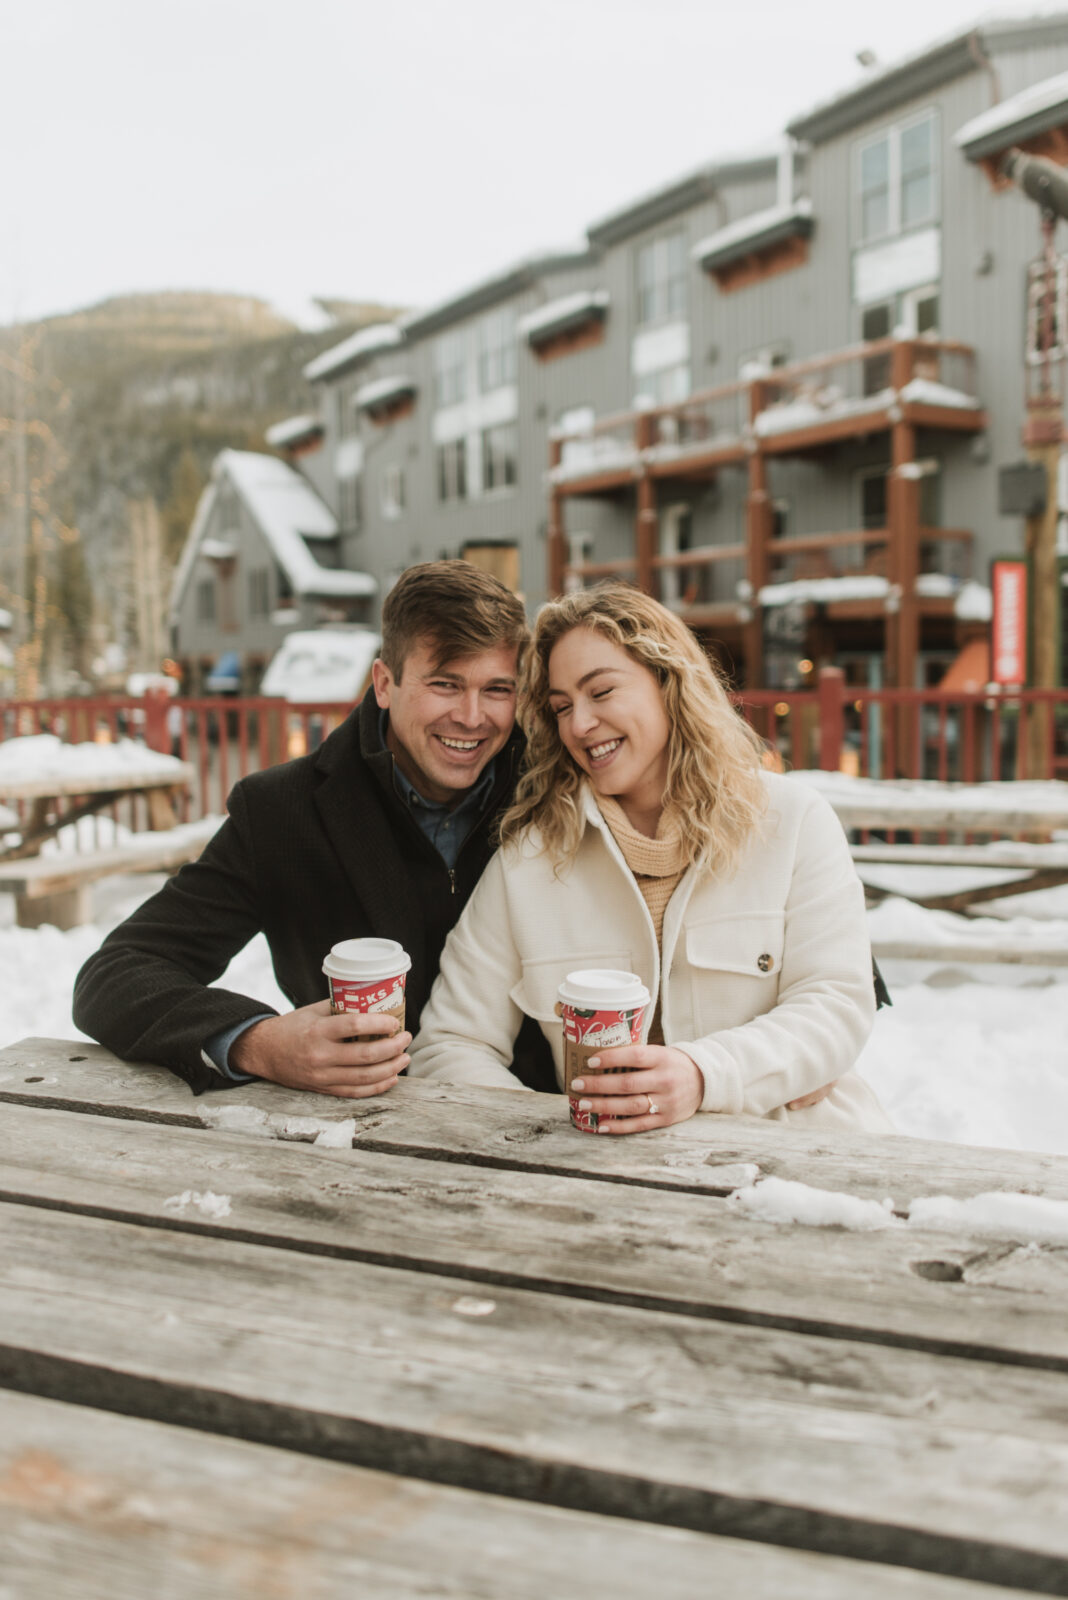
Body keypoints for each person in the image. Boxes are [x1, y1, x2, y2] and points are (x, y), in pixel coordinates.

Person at [407, 583, 892, 1133]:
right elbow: (449, 1045)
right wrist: (547, 1141)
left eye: (602, 691)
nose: (580, 724)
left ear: (669, 683)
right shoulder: (530, 860)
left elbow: (835, 1005)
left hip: (800, 1168)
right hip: (613, 1192)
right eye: (561, 707)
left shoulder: (791, 821)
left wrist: (702, 1075)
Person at [73, 561, 555, 1098]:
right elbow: (115, 973)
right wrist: (259, 1042)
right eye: (445, 684)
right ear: (384, 684)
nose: (472, 716)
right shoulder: (281, 811)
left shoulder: (554, 794)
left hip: (533, 1128)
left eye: (497, 689)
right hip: (348, 1137)